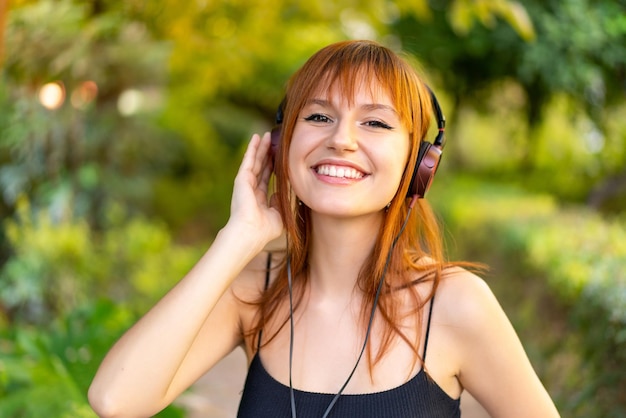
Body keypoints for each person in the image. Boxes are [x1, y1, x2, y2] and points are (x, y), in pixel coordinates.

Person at [88, 40, 560, 418]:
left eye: (374, 122)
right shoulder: (256, 293)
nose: (341, 139)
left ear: (419, 165)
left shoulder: (455, 304)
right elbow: (116, 402)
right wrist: (237, 239)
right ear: (281, 145)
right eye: (318, 116)